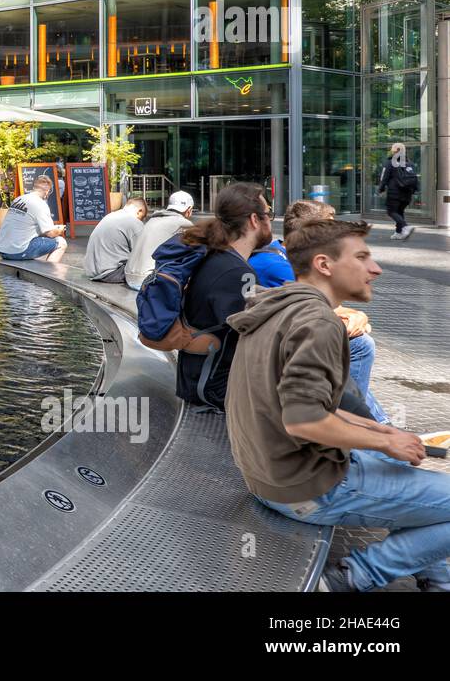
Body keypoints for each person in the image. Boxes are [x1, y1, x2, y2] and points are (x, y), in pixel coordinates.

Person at [225, 218, 450, 592]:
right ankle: (352, 578)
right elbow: (303, 420)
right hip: (307, 487)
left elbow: (297, 403)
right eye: (361, 257)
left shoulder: (279, 308)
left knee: (410, 481)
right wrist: (385, 442)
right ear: (324, 265)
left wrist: (378, 429)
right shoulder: (318, 322)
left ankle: (439, 580)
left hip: (269, 474)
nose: (375, 268)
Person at [250, 199, 389, 424]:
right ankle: (355, 422)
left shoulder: (282, 254)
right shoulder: (280, 266)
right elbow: (323, 310)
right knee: (359, 346)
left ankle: (376, 422)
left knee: (349, 342)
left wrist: (354, 316)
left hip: (280, 335)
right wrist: (354, 317)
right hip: (275, 343)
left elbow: (328, 305)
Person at [172, 182, 272, 411]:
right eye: (268, 214)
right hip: (216, 388)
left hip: (198, 379)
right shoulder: (237, 272)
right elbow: (251, 336)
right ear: (254, 220)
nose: (270, 220)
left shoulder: (214, 257)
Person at [124, 191, 194, 290]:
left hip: (129, 277)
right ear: (189, 210)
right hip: (148, 281)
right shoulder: (184, 224)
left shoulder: (152, 220)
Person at [0, 175, 67, 263]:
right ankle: (48, 274)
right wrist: (60, 230)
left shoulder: (18, 199)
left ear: (34, 187)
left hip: (2, 249)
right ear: (47, 191)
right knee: (61, 242)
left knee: (38, 241)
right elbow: (50, 233)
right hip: (17, 251)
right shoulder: (40, 204)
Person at [82, 197, 147, 283]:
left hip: (93, 271)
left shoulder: (111, 215)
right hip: (111, 273)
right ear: (139, 211)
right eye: (142, 218)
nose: (141, 221)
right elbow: (142, 254)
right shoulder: (134, 222)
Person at [377, 142, 419, 240]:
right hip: (407, 193)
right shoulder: (410, 163)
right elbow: (414, 178)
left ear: (396, 151)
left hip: (394, 193)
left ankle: (405, 226)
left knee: (391, 211)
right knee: (399, 211)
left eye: (392, 149)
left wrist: (381, 189)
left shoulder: (390, 162)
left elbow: (385, 178)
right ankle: (399, 232)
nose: (391, 150)